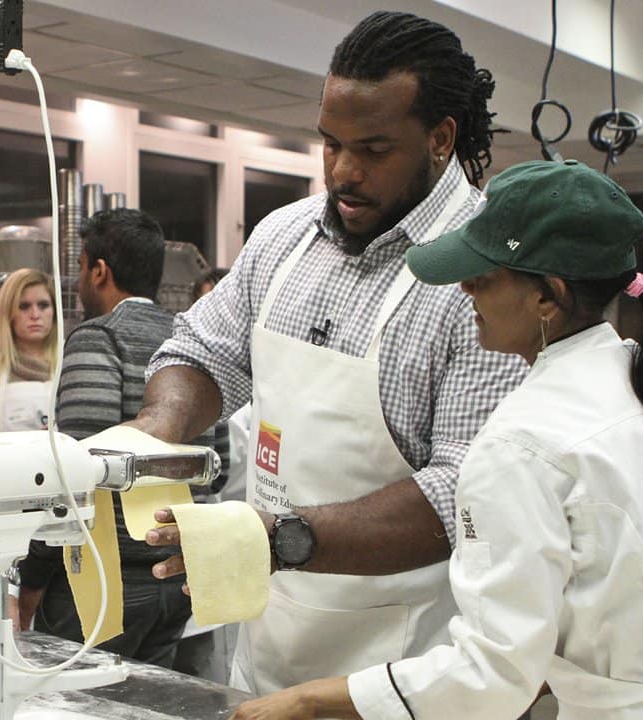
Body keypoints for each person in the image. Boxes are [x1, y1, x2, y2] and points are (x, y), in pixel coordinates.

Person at [229, 160, 643, 720]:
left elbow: (492, 676)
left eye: (481, 277)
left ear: (547, 298)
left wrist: (310, 699)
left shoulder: (521, 441)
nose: (464, 291)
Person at [139, 10, 527, 694]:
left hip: (402, 667)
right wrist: (158, 427)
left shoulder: (487, 276)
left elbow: (465, 493)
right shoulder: (284, 237)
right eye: (329, 144)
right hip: (268, 646)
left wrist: (282, 537)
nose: (343, 171)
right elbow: (203, 349)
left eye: (374, 150)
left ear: (441, 138)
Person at [16, 209, 220, 668]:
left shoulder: (97, 339)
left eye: (83, 269)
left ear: (99, 271)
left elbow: (74, 477)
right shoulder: (190, 341)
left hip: (104, 589)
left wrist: (32, 579)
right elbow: (216, 460)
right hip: (176, 580)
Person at [0, 268, 59, 431]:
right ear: (8, 313)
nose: (35, 315)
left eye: (43, 305)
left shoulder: (68, 363)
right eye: (24, 306)